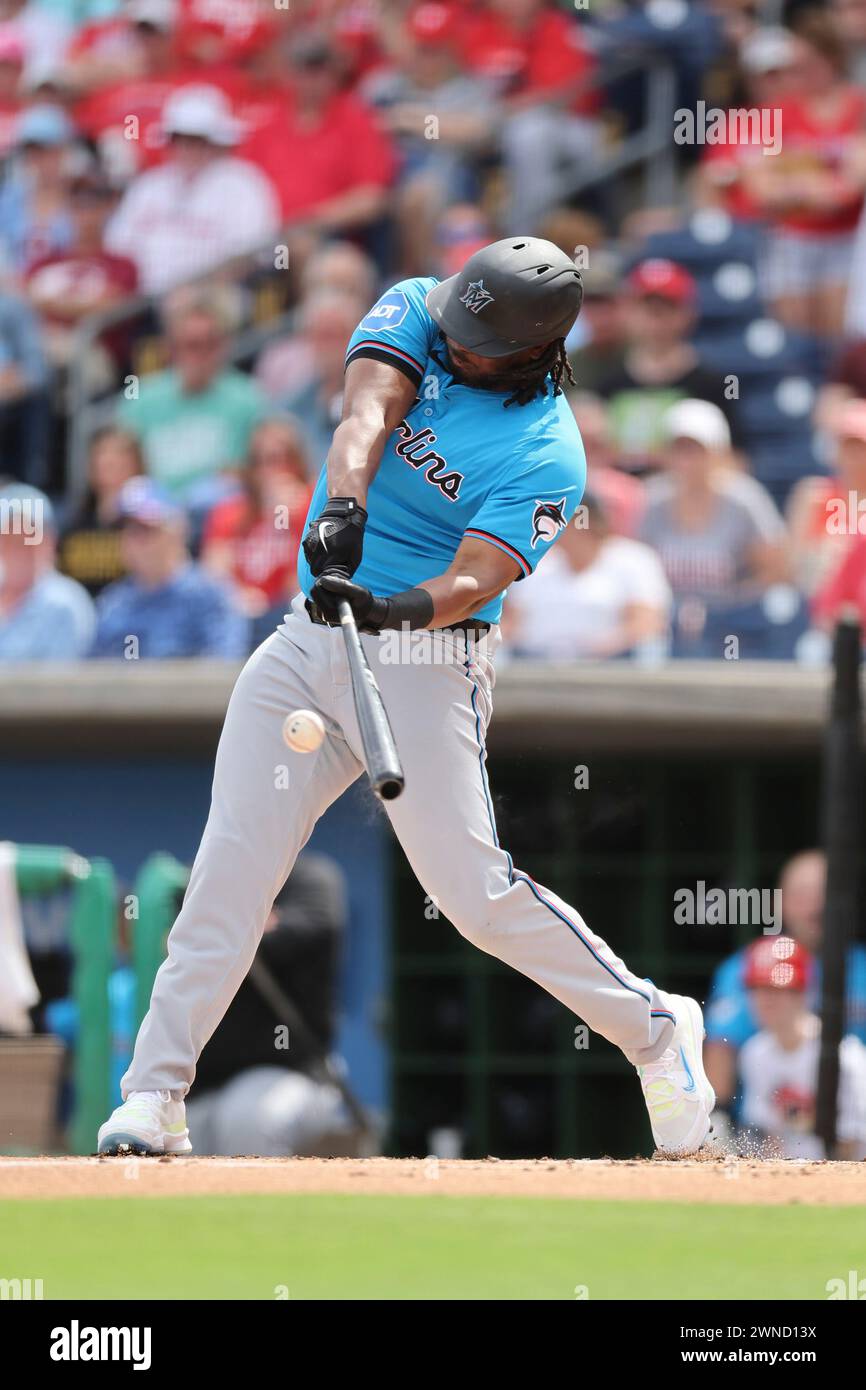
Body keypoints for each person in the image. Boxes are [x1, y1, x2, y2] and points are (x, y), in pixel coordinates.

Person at [97, 237, 716, 1161]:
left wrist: (392, 607)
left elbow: (475, 578)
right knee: (229, 872)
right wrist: (343, 508)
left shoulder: (547, 452)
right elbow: (366, 413)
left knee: (472, 895)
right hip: (309, 638)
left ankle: (658, 1029)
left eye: (475, 338)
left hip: (432, 661)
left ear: (533, 349)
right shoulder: (422, 305)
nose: (453, 337)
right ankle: (153, 1096)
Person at [184, 853, 356, 1157]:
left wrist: (224, 928)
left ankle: (259, 1207)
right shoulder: (204, 877)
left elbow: (302, 932)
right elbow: (179, 938)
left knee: (248, 1119)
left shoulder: (310, 879)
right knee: (180, 1133)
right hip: (206, 1082)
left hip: (291, 1071)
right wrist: (249, 924)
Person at [704, 849, 866, 1115]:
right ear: (779, 901)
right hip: (769, 1125)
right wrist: (717, 1119)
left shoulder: (851, 1058)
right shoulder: (746, 968)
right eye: (803, 895)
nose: (815, 906)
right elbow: (721, 1050)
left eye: (825, 893)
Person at [639, 399, 788, 654]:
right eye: (679, 449)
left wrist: (725, 606)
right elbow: (638, 567)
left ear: (718, 453)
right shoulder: (652, 500)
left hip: (735, 619)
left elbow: (775, 570)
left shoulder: (745, 499)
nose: (687, 460)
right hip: (667, 621)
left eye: (696, 449)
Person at [104, 84, 280, 294]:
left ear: (216, 141)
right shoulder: (149, 185)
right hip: (140, 301)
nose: (187, 148)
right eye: (179, 139)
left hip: (215, 295)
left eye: (197, 140)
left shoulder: (244, 184)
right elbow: (118, 248)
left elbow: (253, 255)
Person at [117, 288, 266, 511]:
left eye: (210, 343)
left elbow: (251, 471)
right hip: (154, 516)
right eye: (191, 345)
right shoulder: (141, 402)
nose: (200, 355)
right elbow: (123, 471)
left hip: (220, 515)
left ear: (223, 345)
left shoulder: (248, 399)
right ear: (171, 348)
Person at [595, 260, 741, 471]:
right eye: (646, 309)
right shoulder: (608, 382)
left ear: (687, 314)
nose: (655, 321)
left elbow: (734, 458)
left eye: (665, 309)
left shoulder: (711, 384)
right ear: (629, 313)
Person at [90, 476, 249, 658]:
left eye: (144, 530)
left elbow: (223, 669)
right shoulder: (113, 604)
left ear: (175, 531)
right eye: (125, 530)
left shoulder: (211, 596)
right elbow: (92, 676)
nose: (133, 542)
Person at [737, 936, 866, 1159]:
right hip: (785, 1178)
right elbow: (766, 1136)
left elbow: (854, 1142)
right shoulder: (754, 1052)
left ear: (801, 993)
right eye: (757, 989)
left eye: (776, 990)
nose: (764, 1000)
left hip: (842, 1180)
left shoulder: (846, 1055)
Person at [505, 491, 671, 660]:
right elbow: (511, 623)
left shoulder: (634, 559)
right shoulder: (536, 563)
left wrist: (587, 650)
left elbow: (647, 623)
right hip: (532, 669)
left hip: (611, 670)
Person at [201, 416, 312, 641]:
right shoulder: (231, 512)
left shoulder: (312, 504)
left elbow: (310, 575)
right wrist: (238, 594)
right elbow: (213, 574)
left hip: (294, 611)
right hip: (243, 615)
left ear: (297, 461)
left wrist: (295, 516)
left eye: (278, 459)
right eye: (258, 461)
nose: (268, 470)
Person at [0, 482, 95, 660]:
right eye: (9, 536)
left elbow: (58, 684)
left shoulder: (64, 603)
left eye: (29, 536)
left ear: (50, 540)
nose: (18, 546)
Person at [57, 426, 143, 595]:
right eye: (102, 453)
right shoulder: (74, 523)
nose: (108, 461)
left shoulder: (147, 523)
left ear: (137, 463)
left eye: (119, 454)